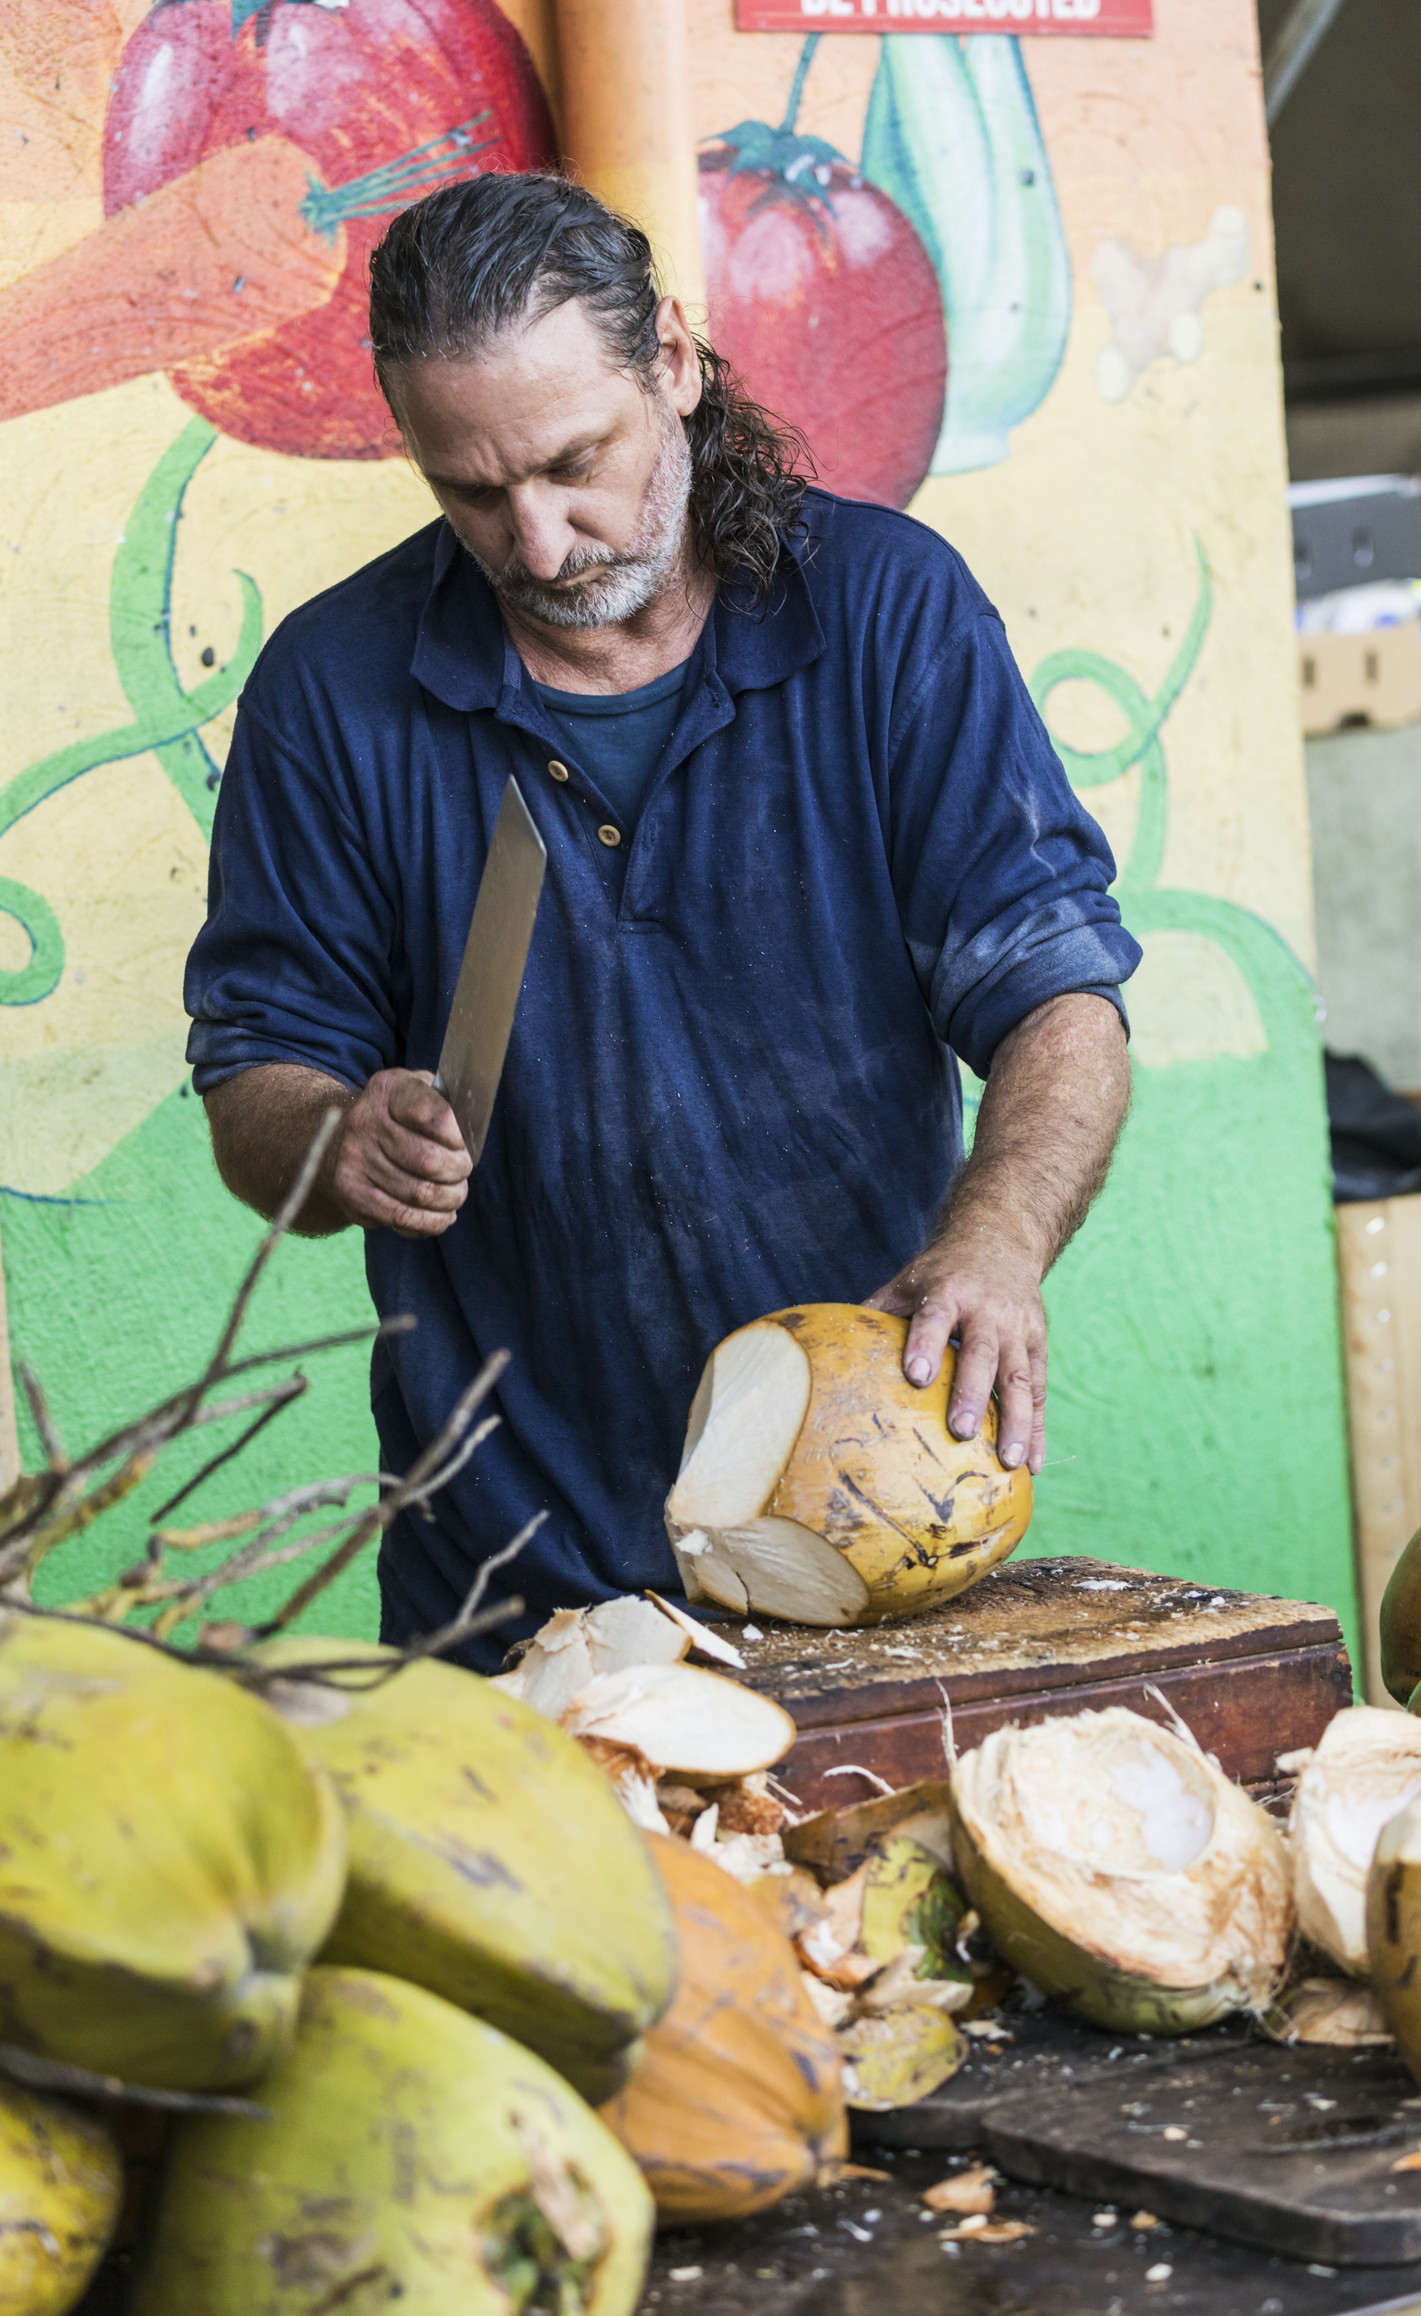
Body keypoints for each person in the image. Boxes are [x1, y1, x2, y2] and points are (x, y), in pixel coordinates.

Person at [186, 173, 1139, 1661]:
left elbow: (1056, 991)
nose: (545, 542)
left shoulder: (890, 616)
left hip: (859, 1532)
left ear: (675, 368)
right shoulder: (330, 697)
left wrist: (1000, 1236)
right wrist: (333, 1132)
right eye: (474, 493)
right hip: (502, 1580)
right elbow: (255, 1092)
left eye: (577, 461)